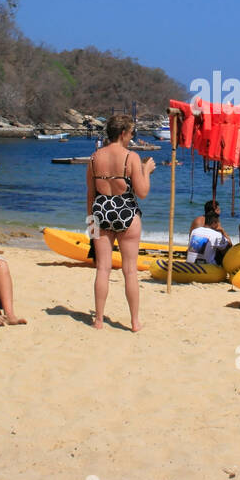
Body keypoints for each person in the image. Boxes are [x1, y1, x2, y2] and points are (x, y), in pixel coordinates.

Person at [86, 114, 155, 331]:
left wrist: (91, 227)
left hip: (100, 212)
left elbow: (90, 195)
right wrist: (146, 171)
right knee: (130, 271)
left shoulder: (94, 157)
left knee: (102, 269)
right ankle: (134, 322)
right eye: (131, 133)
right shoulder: (131, 157)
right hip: (126, 211)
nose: (132, 137)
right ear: (123, 133)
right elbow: (142, 192)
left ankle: (98, 320)